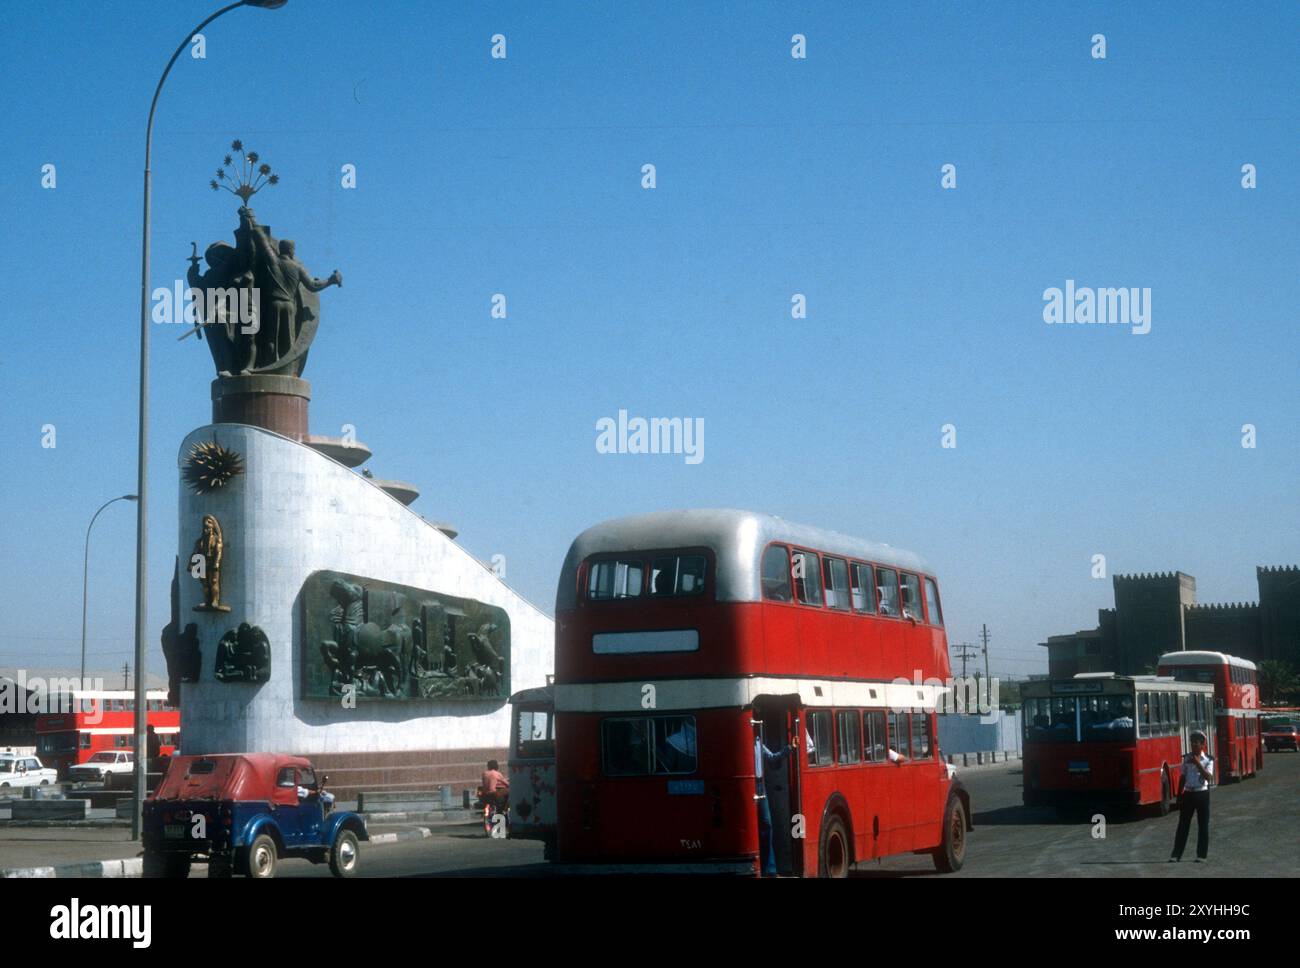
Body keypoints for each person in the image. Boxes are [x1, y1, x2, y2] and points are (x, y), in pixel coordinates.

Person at [754, 733, 796, 877]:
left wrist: (789, 748)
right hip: (750, 783)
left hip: (760, 784)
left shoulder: (758, 742)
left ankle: (770, 869)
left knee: (767, 825)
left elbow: (772, 758)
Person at [1169, 731, 1214, 863]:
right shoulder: (1187, 759)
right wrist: (1179, 795)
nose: (1194, 745)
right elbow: (1183, 777)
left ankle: (1201, 855)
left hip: (1202, 793)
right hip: (1188, 793)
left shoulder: (1208, 760)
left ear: (1202, 745)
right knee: (1183, 825)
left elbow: (1208, 777)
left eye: (1196, 743)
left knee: (1203, 825)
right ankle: (1176, 854)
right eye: (1192, 743)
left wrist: (1198, 763)